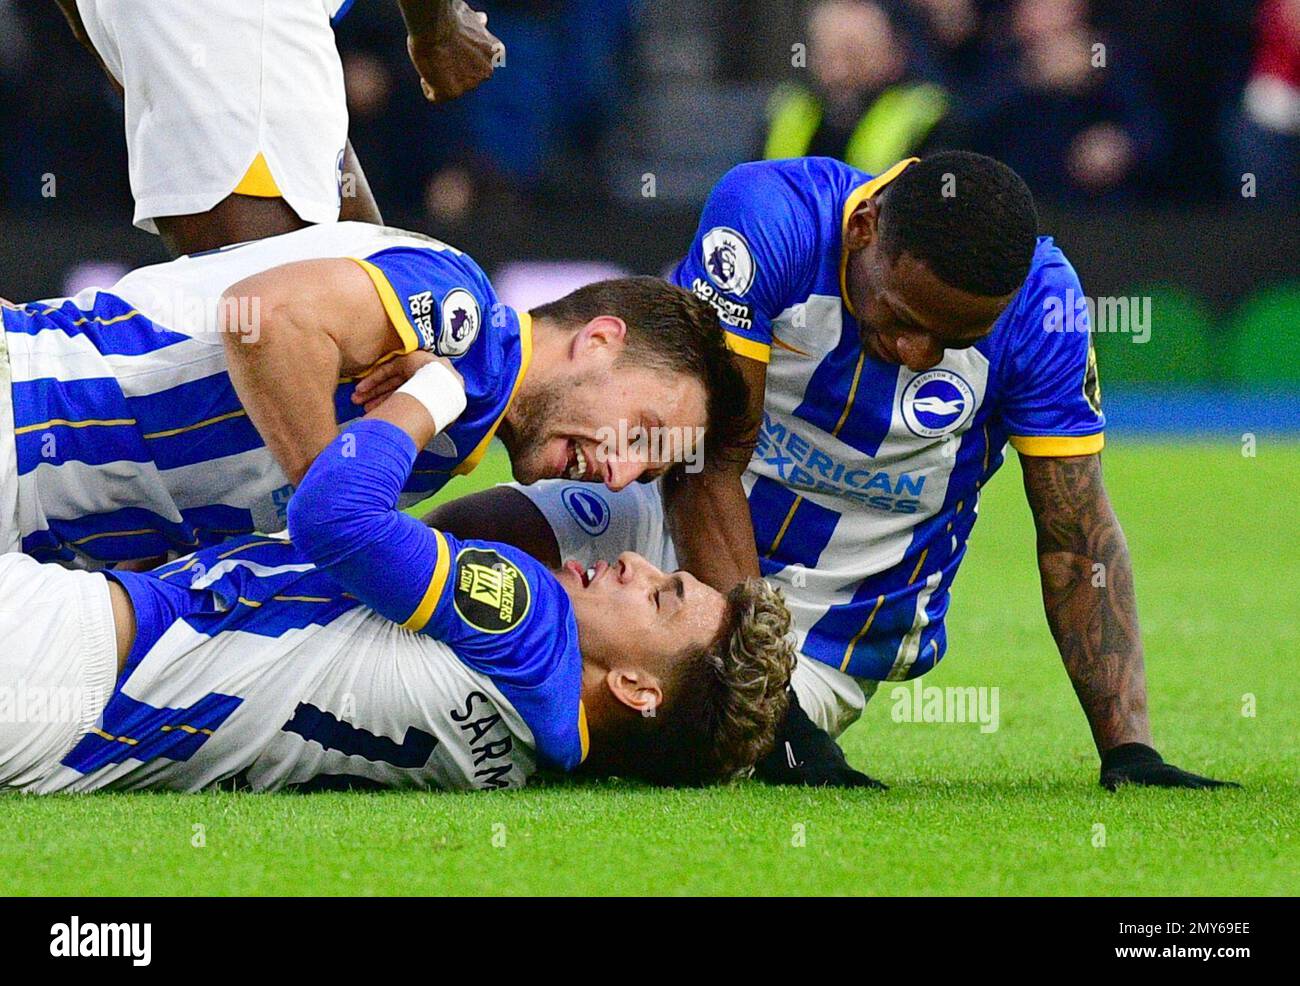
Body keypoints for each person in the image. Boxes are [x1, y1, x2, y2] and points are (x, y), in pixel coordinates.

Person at [426, 151, 1239, 792]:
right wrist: (772, 713)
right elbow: (707, 462)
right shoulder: (771, 220)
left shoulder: (1043, 312)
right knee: (483, 537)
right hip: (680, 519)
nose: (917, 353)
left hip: (830, 632)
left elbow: (1075, 535)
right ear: (864, 230)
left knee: (575, 731)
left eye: (952, 342)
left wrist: (1130, 749)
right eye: (905, 319)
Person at [0, 363, 795, 793]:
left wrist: (438, 389)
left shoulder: (530, 623)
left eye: (660, 596)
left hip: (61, 647)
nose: (636, 564)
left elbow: (335, 517)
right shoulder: (539, 758)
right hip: (80, 738)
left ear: (634, 687)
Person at [0, 221, 743, 566]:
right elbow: (267, 319)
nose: (616, 473)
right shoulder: (461, 315)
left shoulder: (454, 416)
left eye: (643, 472)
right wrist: (337, 517)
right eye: (638, 431)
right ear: (600, 339)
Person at [53, 0, 502, 256]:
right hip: (230, 18)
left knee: (369, 316)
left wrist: (101, 37)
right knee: (290, 326)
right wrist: (438, 30)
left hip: (230, 28)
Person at [762, 0, 950, 175]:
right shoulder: (788, 111)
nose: (839, 71)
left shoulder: (929, 118)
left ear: (894, 55)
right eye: (828, 57)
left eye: (855, 57)